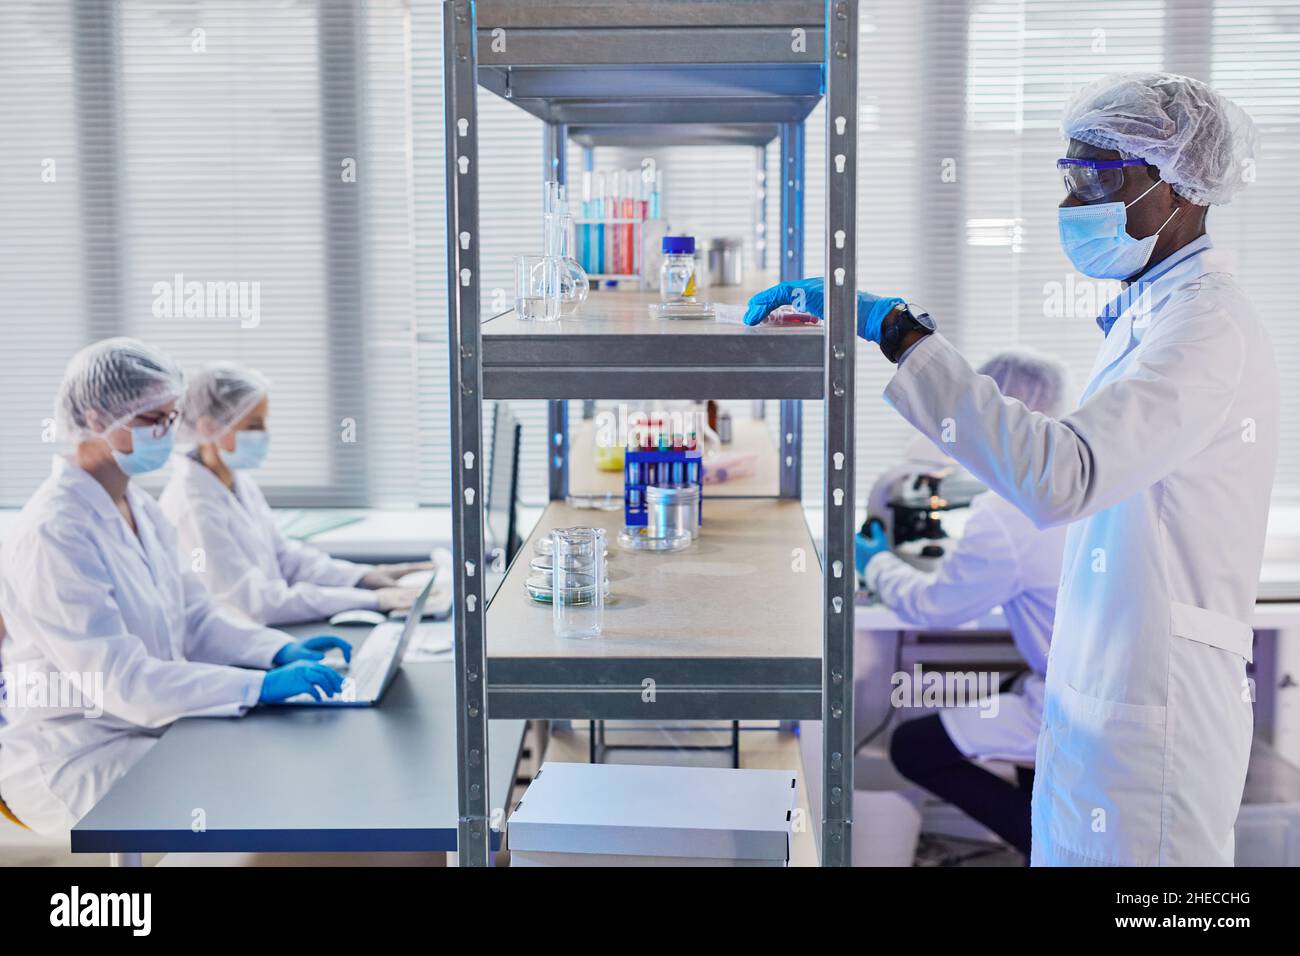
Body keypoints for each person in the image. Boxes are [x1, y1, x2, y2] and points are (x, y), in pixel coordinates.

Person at [747, 73, 1276, 866]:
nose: (1072, 203)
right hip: (1107, 704)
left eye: (1099, 177)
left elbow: (1063, 474)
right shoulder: (1155, 313)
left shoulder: (1205, 326)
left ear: (1179, 185)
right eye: (1068, 178)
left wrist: (897, 332)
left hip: (1153, 716)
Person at [0, 339, 348, 834]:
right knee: (251, 792)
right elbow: (122, 682)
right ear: (97, 420)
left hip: (147, 723)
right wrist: (258, 686)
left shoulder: (138, 507)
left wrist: (276, 652)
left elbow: (197, 616)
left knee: (272, 769)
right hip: (77, 751)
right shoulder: (53, 532)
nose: (168, 433)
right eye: (152, 419)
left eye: (172, 416)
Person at [855, 350, 1070, 859]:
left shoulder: (1005, 514)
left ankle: (1049, 849)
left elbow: (933, 608)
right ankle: (1045, 842)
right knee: (1018, 701)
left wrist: (878, 562)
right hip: (1092, 687)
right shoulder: (1073, 480)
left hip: (1076, 703)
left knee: (913, 747)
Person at [160, 363, 430, 626]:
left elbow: (285, 558)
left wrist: (365, 577)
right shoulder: (193, 506)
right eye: (253, 425)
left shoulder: (236, 482)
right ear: (209, 427)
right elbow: (255, 603)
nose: (265, 434)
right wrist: (371, 600)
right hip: (236, 646)